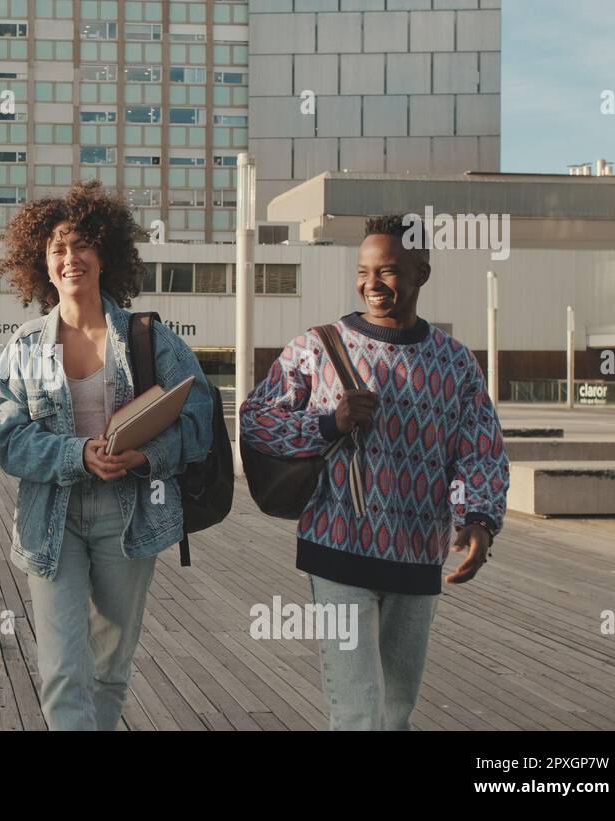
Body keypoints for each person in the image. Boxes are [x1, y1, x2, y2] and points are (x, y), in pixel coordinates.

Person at [239, 214, 510, 730]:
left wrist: (479, 519)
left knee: (394, 711)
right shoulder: (317, 347)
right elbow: (255, 421)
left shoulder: (455, 363)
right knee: (359, 713)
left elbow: (480, 449)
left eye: (387, 271)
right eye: (363, 271)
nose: (371, 283)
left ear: (421, 274)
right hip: (337, 549)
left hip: (417, 555)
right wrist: (327, 423)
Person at [0, 180, 214, 730]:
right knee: (63, 671)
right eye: (57, 248)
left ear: (104, 254)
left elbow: (200, 421)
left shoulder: (148, 338)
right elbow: (8, 437)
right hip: (52, 520)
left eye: (81, 244)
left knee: (109, 670)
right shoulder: (26, 347)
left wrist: (145, 456)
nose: (70, 258)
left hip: (129, 515)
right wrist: (76, 454)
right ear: (40, 260)